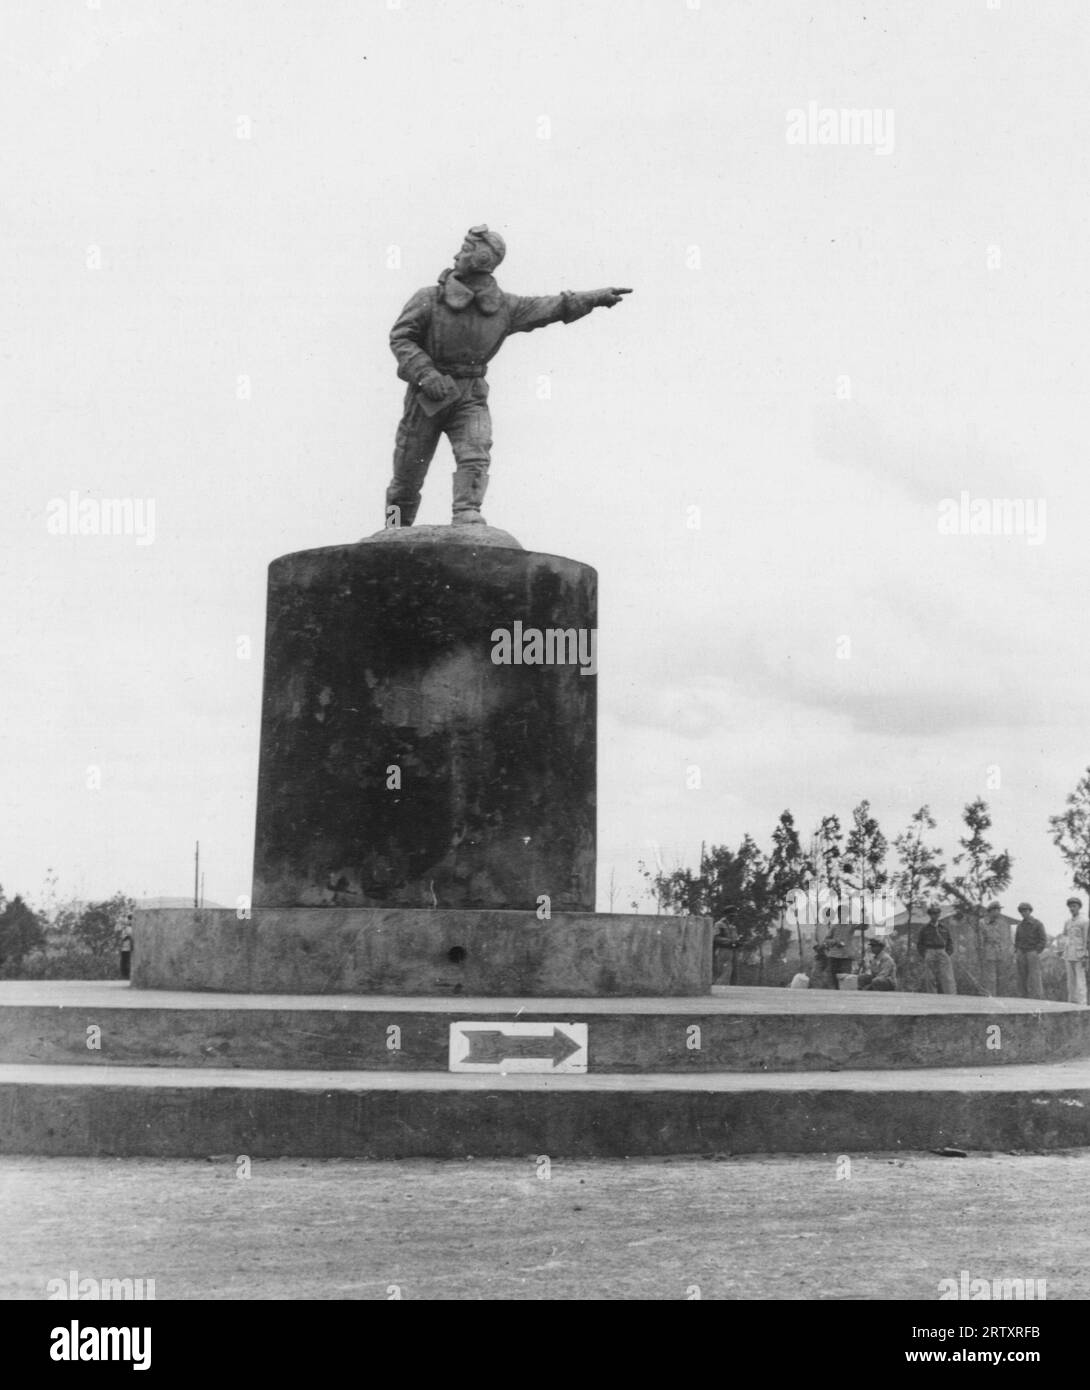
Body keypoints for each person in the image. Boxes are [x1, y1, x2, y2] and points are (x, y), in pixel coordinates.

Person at [386, 225, 632, 527]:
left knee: (476, 451)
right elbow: (401, 337)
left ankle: (467, 513)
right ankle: (394, 526)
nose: (456, 255)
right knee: (407, 474)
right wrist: (425, 373)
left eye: (464, 251)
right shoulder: (429, 298)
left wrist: (594, 297)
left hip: (470, 395)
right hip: (427, 397)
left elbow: (551, 306)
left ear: (480, 260)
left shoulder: (505, 307)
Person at [916, 904, 956, 994]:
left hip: (942, 951)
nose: (934, 915)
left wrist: (948, 953)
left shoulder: (944, 928)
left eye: (936, 913)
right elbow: (919, 944)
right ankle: (932, 997)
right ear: (929, 915)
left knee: (947, 977)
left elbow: (950, 942)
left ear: (939, 915)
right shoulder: (924, 928)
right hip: (930, 951)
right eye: (932, 913)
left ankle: (950, 997)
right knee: (930, 977)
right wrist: (925, 954)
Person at [1013, 901, 1047, 1000]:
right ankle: (1023, 997)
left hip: (1032, 952)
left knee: (1034, 977)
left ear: (1030, 911)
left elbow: (1043, 940)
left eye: (1026, 911)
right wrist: (1017, 951)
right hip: (1021, 952)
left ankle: (1037, 998)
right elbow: (1017, 940)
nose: (1024, 913)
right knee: (1021, 976)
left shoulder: (1037, 924)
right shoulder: (1020, 925)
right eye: (1022, 911)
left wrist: (1036, 951)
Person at [1059, 897, 1089, 1005]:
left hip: (1080, 954)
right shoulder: (1067, 922)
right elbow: (1065, 936)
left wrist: (1086, 955)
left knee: (1080, 981)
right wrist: (1062, 950)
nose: (1072, 908)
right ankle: (1071, 1004)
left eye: (1074, 906)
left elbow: (1087, 939)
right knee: (1070, 982)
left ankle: (1082, 1005)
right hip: (1068, 954)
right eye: (1070, 906)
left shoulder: (1085, 921)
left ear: (1079, 907)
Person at [979, 901, 1011, 997]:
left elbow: (1007, 938)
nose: (999, 912)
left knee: (1002, 978)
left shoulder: (1002, 923)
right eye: (997, 910)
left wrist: (1007, 951)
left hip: (1001, 953)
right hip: (989, 952)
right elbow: (980, 940)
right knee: (990, 978)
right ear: (991, 911)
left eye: (999, 910)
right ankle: (991, 998)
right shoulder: (982, 922)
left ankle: (1002, 999)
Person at [820, 918, 855, 990]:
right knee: (833, 979)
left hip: (846, 956)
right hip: (834, 956)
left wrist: (864, 914)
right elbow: (826, 940)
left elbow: (864, 926)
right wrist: (835, 942)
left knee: (846, 978)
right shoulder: (834, 926)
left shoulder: (851, 925)